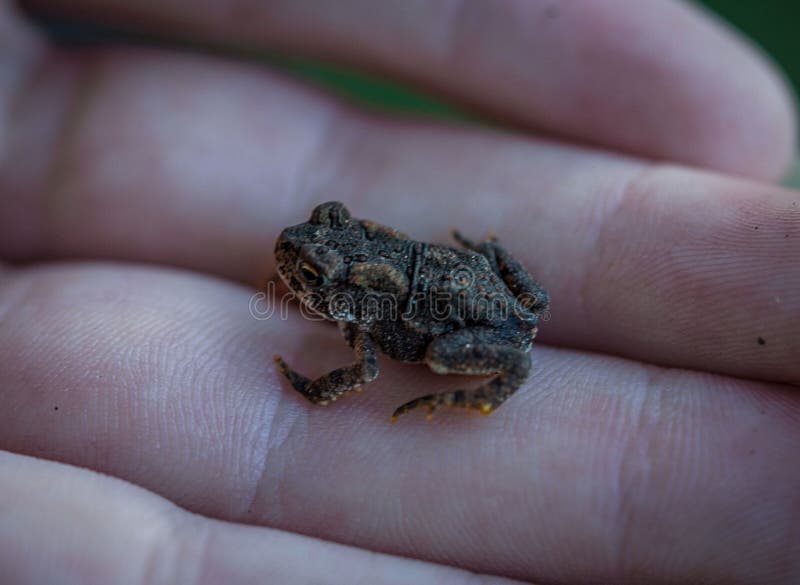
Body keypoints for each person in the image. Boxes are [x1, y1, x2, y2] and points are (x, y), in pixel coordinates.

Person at [1, 1, 798, 583]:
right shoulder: (357, 266)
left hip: (468, 327)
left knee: (494, 349)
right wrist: (479, 257)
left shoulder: (365, 318)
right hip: (464, 279)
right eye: (312, 252)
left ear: (344, 285)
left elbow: (371, 369)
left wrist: (317, 388)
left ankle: (462, 396)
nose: (300, 262)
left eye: (314, 272)